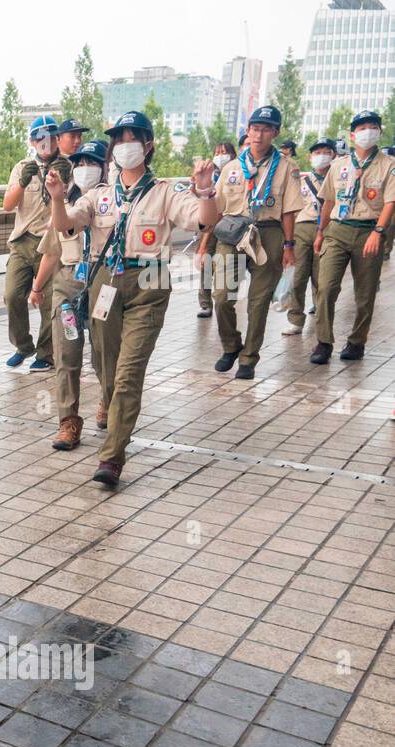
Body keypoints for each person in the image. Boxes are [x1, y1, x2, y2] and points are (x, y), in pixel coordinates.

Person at [48, 110, 218, 488]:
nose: (125, 146)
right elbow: (65, 225)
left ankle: (112, 456)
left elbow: (204, 220)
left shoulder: (165, 192)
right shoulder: (99, 196)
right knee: (107, 368)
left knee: (128, 374)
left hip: (149, 280)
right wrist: (58, 198)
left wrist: (206, 191)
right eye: (119, 140)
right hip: (106, 279)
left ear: (149, 145)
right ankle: (113, 415)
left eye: (132, 138)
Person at [209, 105, 303, 380]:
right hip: (232, 232)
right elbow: (217, 208)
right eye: (254, 129)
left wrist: (289, 246)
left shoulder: (287, 168)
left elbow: (288, 210)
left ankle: (249, 358)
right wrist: (206, 243)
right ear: (247, 131)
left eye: (265, 129)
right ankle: (231, 345)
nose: (259, 135)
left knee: (258, 302)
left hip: (269, 233)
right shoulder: (232, 168)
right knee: (222, 295)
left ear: (274, 132)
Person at [31, 139, 109, 450]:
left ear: (106, 166)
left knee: (104, 352)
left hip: (104, 283)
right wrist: (37, 287)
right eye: (80, 163)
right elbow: (52, 251)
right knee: (66, 352)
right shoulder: (62, 204)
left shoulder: (114, 202)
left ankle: (107, 399)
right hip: (67, 284)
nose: (85, 168)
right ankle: (68, 421)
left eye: (92, 162)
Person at [311, 110, 395, 364]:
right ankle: (323, 342)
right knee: (326, 287)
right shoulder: (338, 165)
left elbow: (391, 201)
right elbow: (328, 202)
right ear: (352, 134)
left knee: (365, 292)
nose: (367, 131)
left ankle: (357, 342)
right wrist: (320, 232)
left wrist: (378, 233)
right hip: (337, 230)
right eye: (361, 128)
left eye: (372, 126)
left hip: (369, 230)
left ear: (379, 132)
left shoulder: (388, 165)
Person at [2, 115, 72, 372]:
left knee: (49, 300)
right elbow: (7, 205)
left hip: (53, 241)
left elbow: (77, 204)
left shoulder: (69, 167)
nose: (47, 142)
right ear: (32, 141)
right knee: (12, 295)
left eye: (53, 137)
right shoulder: (22, 167)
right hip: (23, 240)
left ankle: (46, 353)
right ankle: (23, 345)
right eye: (41, 137)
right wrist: (22, 183)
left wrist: (64, 184)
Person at [278, 138, 335, 336]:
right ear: (310, 156)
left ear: (333, 155)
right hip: (302, 229)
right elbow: (290, 209)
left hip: (327, 230)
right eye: (317, 152)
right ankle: (295, 319)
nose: (322, 156)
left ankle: (321, 317)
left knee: (322, 279)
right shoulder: (302, 181)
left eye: (326, 152)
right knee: (298, 277)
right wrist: (288, 239)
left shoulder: (338, 179)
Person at [195, 141, 236, 319]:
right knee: (206, 263)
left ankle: (227, 301)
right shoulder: (211, 176)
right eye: (217, 152)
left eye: (224, 152)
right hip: (210, 226)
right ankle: (205, 303)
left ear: (233, 155)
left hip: (231, 227)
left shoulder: (239, 174)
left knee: (228, 266)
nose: (220, 155)